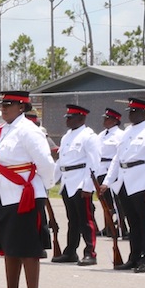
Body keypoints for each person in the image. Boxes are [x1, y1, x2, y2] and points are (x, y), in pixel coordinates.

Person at [0, 91, 55, 288]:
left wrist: (45, 186)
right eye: (3, 104)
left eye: (9, 104)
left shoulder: (29, 131)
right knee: (9, 247)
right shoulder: (2, 130)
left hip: (25, 194)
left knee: (28, 248)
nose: (4, 108)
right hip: (4, 194)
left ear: (22, 107)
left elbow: (45, 163)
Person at [104, 97, 145, 273]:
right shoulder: (127, 132)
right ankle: (135, 257)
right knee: (133, 223)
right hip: (125, 181)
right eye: (130, 111)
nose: (131, 114)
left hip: (143, 180)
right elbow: (117, 158)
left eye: (135, 111)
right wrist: (107, 181)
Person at [51, 104, 100, 265]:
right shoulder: (66, 137)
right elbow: (61, 162)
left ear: (81, 118)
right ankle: (71, 251)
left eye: (71, 118)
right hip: (67, 181)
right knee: (72, 220)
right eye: (67, 117)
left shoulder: (89, 136)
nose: (68, 120)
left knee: (86, 220)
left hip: (80, 181)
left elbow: (94, 163)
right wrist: (50, 181)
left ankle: (90, 252)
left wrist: (88, 186)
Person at [94, 106, 125, 236]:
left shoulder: (120, 135)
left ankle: (122, 226)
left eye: (107, 119)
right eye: (104, 118)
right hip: (101, 169)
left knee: (117, 201)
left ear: (115, 120)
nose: (104, 121)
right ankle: (108, 226)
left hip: (113, 170)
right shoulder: (101, 135)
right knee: (105, 200)